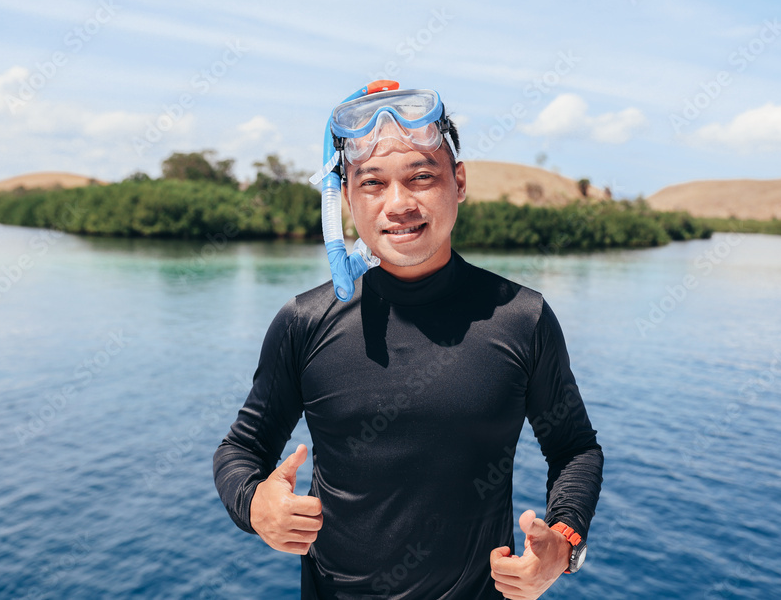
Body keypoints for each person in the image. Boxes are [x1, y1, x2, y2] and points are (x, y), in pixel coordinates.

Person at [212, 82, 604, 599]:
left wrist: (563, 542)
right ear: (344, 195)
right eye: (372, 183)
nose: (399, 204)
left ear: (458, 182)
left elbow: (575, 449)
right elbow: (241, 449)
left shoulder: (521, 318)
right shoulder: (304, 321)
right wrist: (254, 505)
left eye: (421, 176)